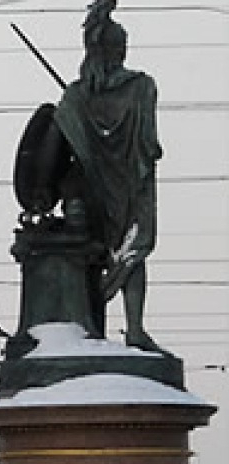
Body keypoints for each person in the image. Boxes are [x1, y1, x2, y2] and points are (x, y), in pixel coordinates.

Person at [53, 0, 164, 352]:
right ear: (119, 50)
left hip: (89, 195)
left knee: (96, 256)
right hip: (130, 188)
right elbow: (149, 145)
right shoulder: (142, 87)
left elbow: (60, 149)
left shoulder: (74, 97)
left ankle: (87, 323)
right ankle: (134, 329)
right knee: (134, 250)